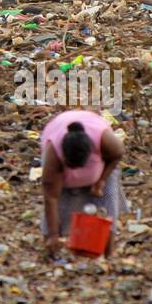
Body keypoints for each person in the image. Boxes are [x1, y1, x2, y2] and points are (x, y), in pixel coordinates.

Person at [41, 110, 126, 258]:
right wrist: (53, 234)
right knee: (61, 205)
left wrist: (101, 180)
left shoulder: (104, 141)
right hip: (58, 133)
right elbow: (51, 198)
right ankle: (52, 247)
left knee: (107, 204)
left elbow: (117, 155)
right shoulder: (53, 155)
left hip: (101, 167)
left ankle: (108, 253)